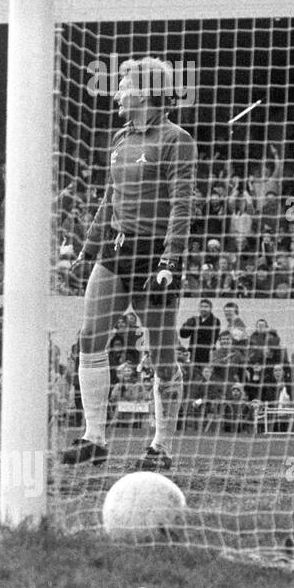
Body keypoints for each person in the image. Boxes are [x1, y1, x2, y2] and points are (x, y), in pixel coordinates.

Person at [61, 58, 197, 471]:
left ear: (145, 91)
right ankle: (94, 439)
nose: (116, 93)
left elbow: (182, 203)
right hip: (115, 252)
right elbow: (110, 197)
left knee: (162, 356)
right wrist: (89, 245)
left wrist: (171, 258)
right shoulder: (119, 138)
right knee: (90, 337)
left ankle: (161, 446)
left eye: (122, 85)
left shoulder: (177, 139)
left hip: (155, 256)